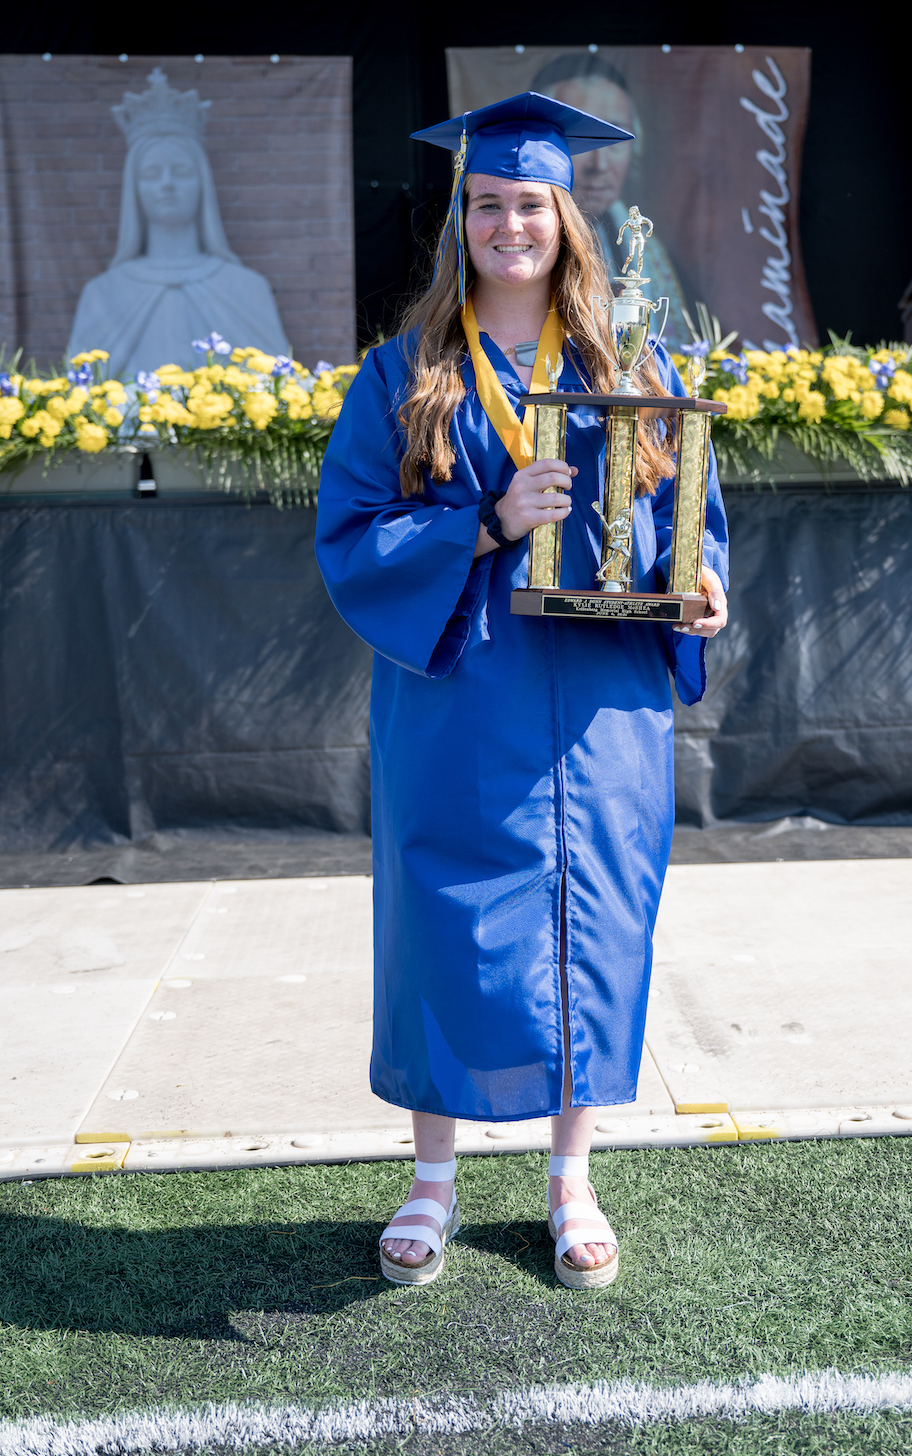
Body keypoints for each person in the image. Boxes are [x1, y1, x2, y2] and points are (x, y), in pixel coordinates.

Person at [314, 92, 728, 1291]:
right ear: (459, 222)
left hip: (600, 709)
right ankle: (431, 1181)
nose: (509, 225)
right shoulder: (405, 376)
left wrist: (702, 589)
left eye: (529, 204)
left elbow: (687, 517)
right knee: (442, 930)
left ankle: (571, 1180)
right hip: (463, 703)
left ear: (567, 219)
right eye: (486, 204)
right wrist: (487, 524)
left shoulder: (627, 363)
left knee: (595, 923)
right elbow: (352, 536)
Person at [69, 69, 288, 376]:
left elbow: (279, 386)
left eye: (182, 172)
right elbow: (80, 393)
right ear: (134, 188)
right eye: (151, 174)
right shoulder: (103, 295)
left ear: (203, 184)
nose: (167, 185)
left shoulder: (246, 288)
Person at [529, 54, 691, 332]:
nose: (599, 165)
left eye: (616, 138)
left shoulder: (645, 247)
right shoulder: (522, 240)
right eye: (579, 140)